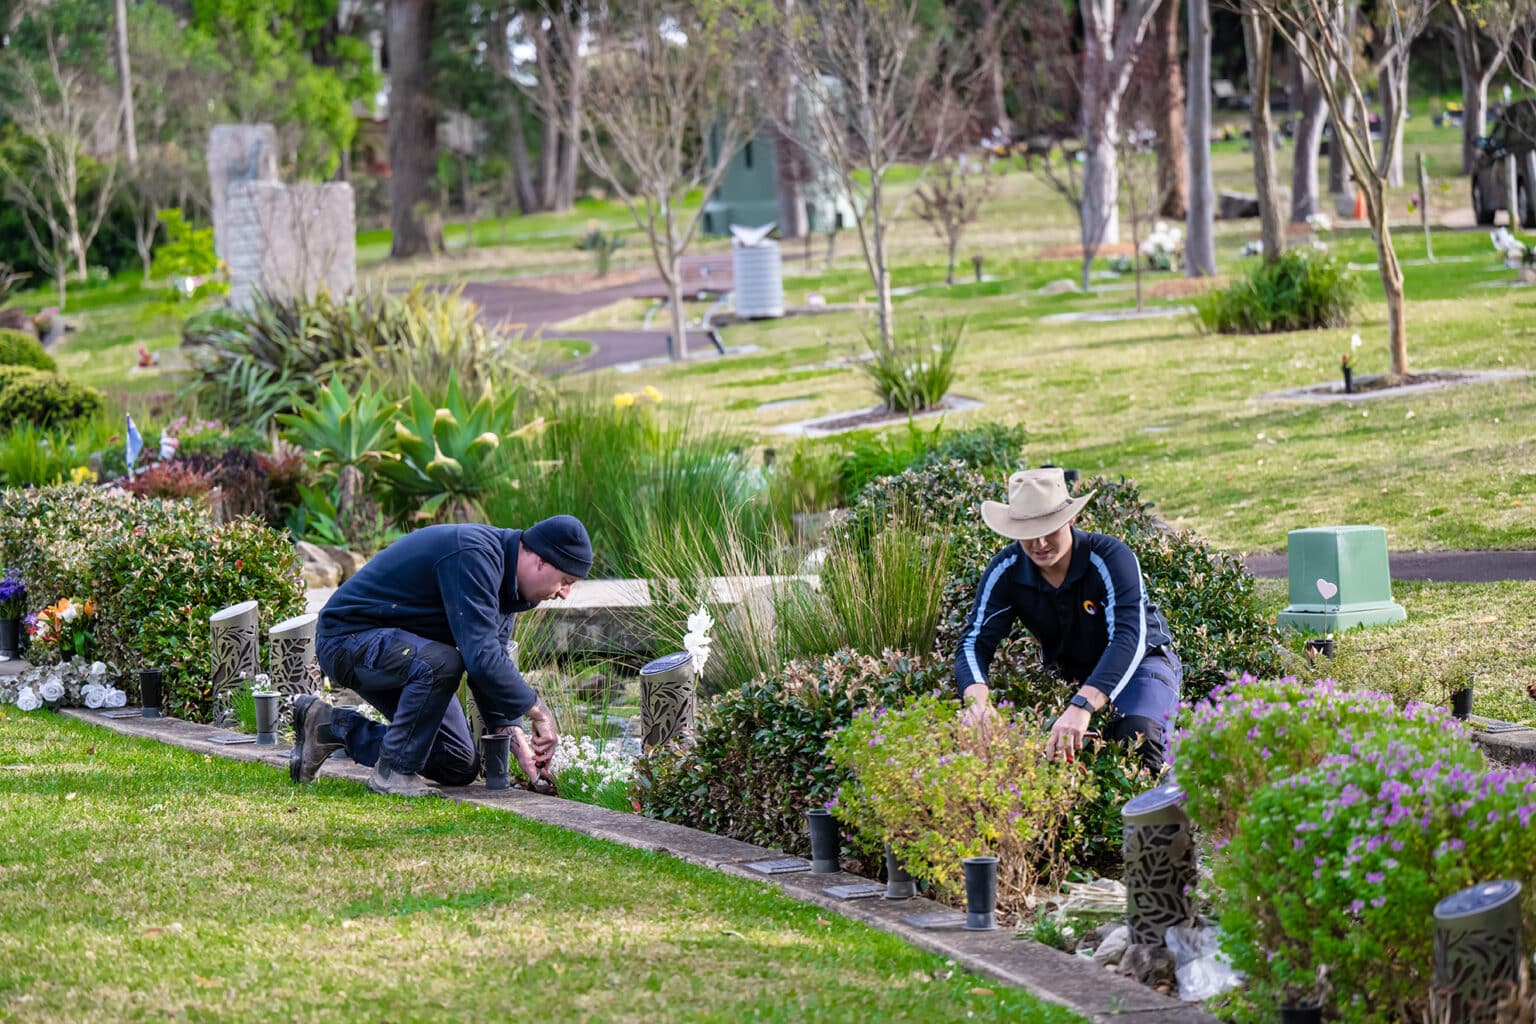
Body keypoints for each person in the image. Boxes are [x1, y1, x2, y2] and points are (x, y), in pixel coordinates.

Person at [291, 515, 593, 797]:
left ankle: (329, 727)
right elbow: (482, 658)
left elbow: (487, 670)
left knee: (457, 761)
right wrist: (540, 712)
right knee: (443, 662)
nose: (565, 593)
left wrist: (517, 742)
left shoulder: (508, 586)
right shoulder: (475, 555)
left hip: (400, 655)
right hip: (347, 640)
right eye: (565, 580)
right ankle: (393, 772)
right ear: (540, 560)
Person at [953, 468, 1180, 770]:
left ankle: (1168, 814)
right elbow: (973, 642)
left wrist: (1082, 705)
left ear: (1071, 519)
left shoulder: (1111, 557)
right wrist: (977, 704)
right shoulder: (1005, 570)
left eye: (1050, 528)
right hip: (1069, 680)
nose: (1041, 543)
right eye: (1029, 533)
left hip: (1142, 667)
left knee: (1138, 737)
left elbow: (1129, 638)